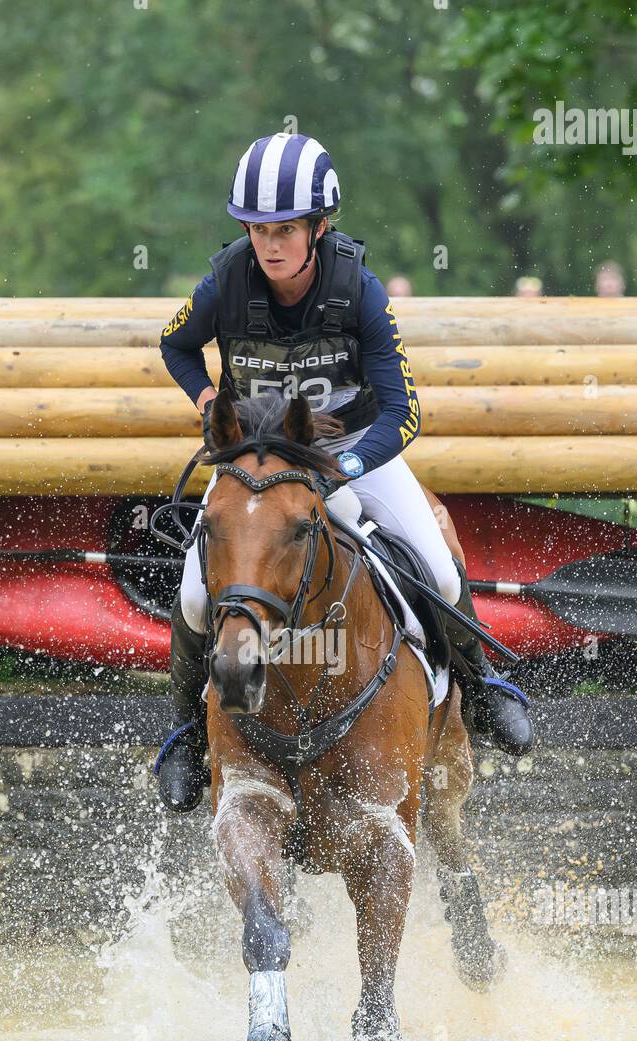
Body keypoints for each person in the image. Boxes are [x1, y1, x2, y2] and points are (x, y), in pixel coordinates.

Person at [156, 131, 533, 812]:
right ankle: (186, 735)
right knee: (192, 593)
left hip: (352, 448)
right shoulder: (224, 283)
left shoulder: (357, 289)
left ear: (318, 225)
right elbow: (175, 345)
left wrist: (347, 468)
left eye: (286, 229)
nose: (269, 243)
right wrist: (210, 401)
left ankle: (480, 692)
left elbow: (404, 411)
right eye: (257, 228)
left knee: (439, 568)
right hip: (258, 462)